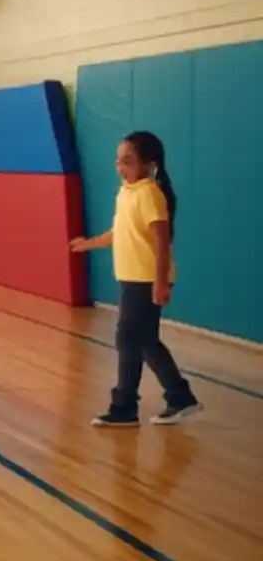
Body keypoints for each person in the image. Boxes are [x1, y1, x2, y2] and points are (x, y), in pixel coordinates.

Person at [70, 131, 201, 427]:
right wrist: (88, 244)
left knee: (136, 340)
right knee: (138, 340)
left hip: (146, 278)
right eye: (118, 161)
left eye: (127, 161)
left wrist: (160, 282)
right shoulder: (126, 192)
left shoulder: (149, 194)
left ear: (149, 164)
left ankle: (135, 404)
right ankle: (159, 400)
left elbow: (161, 239)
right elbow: (120, 232)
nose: (120, 167)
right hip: (130, 278)